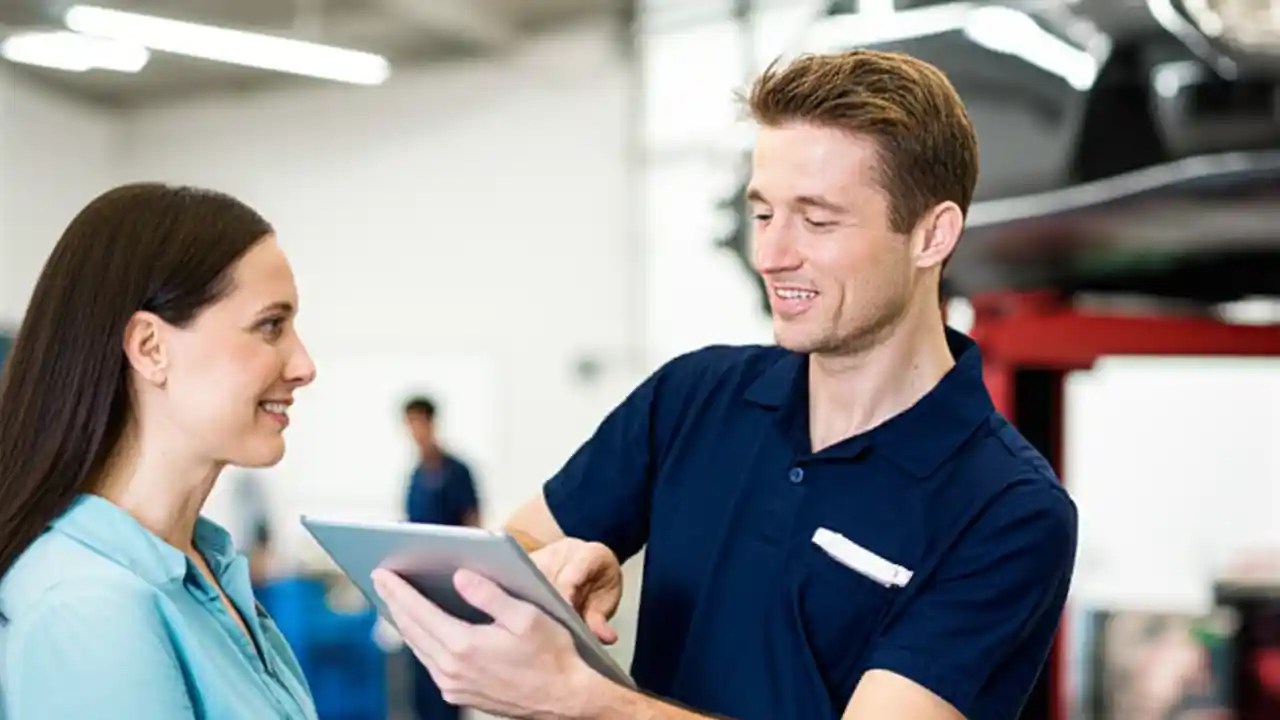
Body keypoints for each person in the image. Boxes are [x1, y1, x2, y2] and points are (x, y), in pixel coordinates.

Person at [373, 49, 1078, 719]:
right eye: (763, 212)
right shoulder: (692, 399)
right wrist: (557, 581)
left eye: (817, 219)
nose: (770, 255)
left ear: (931, 236)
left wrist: (583, 699)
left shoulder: (1007, 511)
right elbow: (510, 551)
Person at [0, 183, 319, 719]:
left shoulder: (207, 570)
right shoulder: (90, 609)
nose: (303, 364)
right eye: (271, 326)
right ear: (151, 348)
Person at [400, 396, 480, 720]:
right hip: (420, 586)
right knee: (420, 675)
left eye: (420, 422)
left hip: (451, 586)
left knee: (450, 678)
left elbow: (473, 523)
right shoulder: (415, 476)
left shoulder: (457, 472)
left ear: (431, 422)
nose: (415, 431)